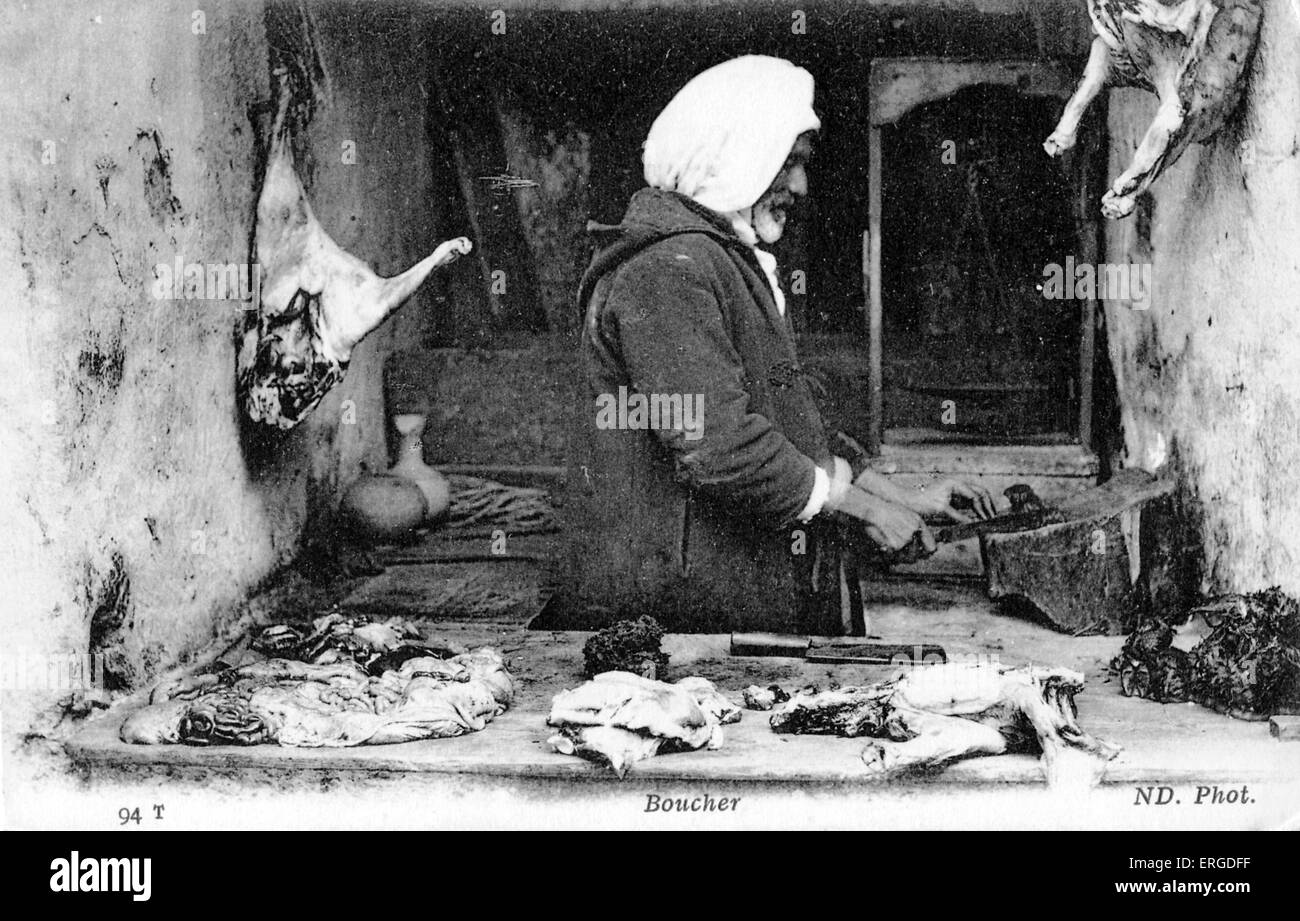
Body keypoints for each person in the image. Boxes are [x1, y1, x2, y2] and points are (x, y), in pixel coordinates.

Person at [551, 56, 995, 634]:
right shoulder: (667, 271)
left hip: (714, 595)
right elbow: (721, 444)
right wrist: (867, 510)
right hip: (667, 614)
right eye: (789, 164)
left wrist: (908, 497)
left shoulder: (717, 260)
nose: (800, 186)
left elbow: (784, 423)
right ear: (735, 155)